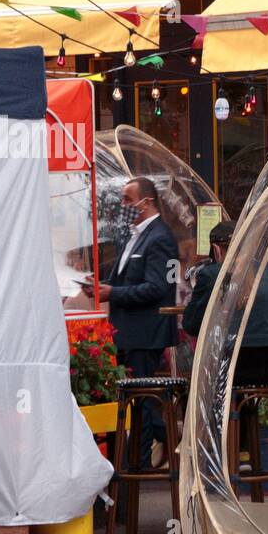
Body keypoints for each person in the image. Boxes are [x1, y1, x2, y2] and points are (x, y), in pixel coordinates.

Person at [86, 176, 177, 468]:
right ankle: (164, 443)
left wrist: (113, 293)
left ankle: (143, 461)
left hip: (145, 332)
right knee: (137, 399)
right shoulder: (132, 236)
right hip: (126, 331)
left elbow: (157, 288)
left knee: (141, 401)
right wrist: (100, 287)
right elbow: (123, 279)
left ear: (146, 202)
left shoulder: (160, 237)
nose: (123, 205)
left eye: (127, 199)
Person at [181, 221, 268, 386]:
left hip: (230, 367)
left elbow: (191, 324)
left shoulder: (211, 275)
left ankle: (229, 412)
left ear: (216, 249)